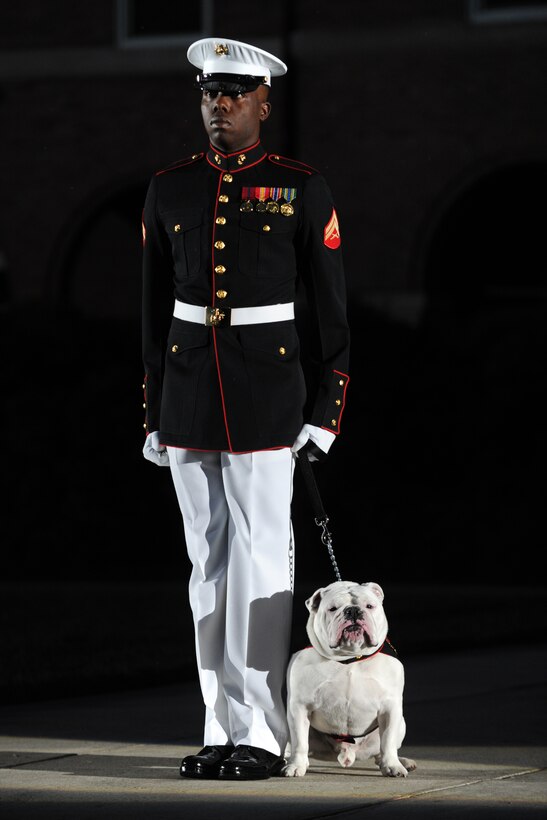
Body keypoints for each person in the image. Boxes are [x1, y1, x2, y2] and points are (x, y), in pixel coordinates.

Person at [141, 37, 350, 781]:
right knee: (207, 566)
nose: (219, 106)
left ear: (264, 103)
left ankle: (260, 732)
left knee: (260, 562)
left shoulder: (299, 186)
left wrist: (325, 409)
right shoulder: (169, 187)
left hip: (267, 394)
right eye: (209, 93)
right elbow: (152, 309)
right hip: (188, 390)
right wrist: (153, 410)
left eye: (234, 95)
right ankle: (219, 727)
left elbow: (330, 311)